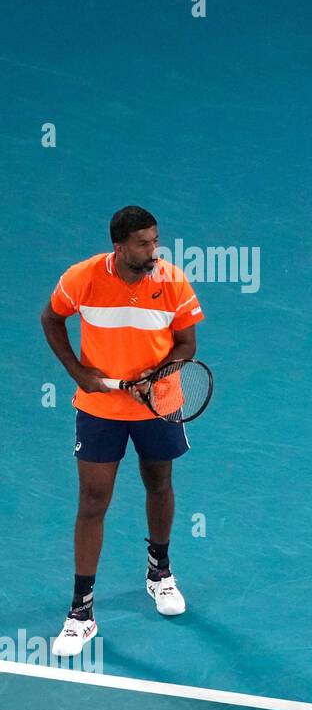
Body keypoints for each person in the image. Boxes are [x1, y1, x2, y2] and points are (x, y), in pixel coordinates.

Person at [41, 206, 205, 656]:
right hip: (100, 407)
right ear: (120, 246)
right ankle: (81, 612)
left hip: (158, 404)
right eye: (143, 243)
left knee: (159, 483)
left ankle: (160, 573)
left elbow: (188, 343)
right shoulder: (82, 278)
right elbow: (51, 319)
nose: (153, 250)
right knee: (93, 501)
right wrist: (78, 372)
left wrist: (157, 374)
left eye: (155, 240)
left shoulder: (171, 281)